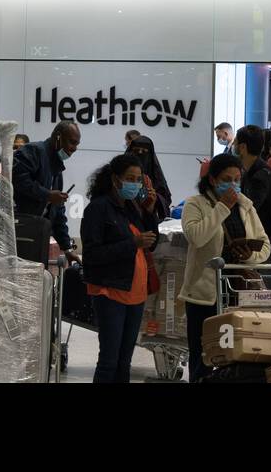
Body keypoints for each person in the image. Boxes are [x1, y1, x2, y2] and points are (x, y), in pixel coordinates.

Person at [179, 153, 269, 383]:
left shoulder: (246, 206)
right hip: (204, 295)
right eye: (226, 179)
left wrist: (251, 256)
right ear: (212, 180)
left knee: (238, 359)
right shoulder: (194, 204)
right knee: (204, 357)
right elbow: (197, 237)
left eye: (237, 179)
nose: (232, 184)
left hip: (239, 294)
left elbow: (265, 245)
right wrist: (222, 207)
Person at [80, 153, 160, 383]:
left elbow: (151, 243)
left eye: (138, 180)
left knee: (125, 362)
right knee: (109, 361)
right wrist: (131, 243)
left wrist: (150, 211)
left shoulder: (133, 208)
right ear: (116, 179)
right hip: (110, 292)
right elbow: (92, 255)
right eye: (130, 178)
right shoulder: (98, 209)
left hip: (135, 293)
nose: (134, 184)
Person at [0, 121, 81, 264]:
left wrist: (67, 249)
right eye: (72, 142)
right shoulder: (34, 151)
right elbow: (17, 180)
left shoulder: (56, 169)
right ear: (58, 137)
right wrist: (48, 195)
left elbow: (58, 214)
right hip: (11, 232)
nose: (74, 148)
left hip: (33, 236)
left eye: (77, 144)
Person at [234, 124, 271, 285]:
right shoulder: (255, 171)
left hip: (268, 245)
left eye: (235, 143)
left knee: (268, 300)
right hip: (266, 244)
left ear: (243, 147)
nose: (233, 147)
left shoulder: (259, 176)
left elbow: (249, 210)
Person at [127, 135, 172, 222]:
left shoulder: (155, 175)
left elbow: (165, 198)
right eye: (136, 150)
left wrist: (153, 197)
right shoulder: (121, 171)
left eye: (144, 151)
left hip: (149, 220)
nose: (140, 153)